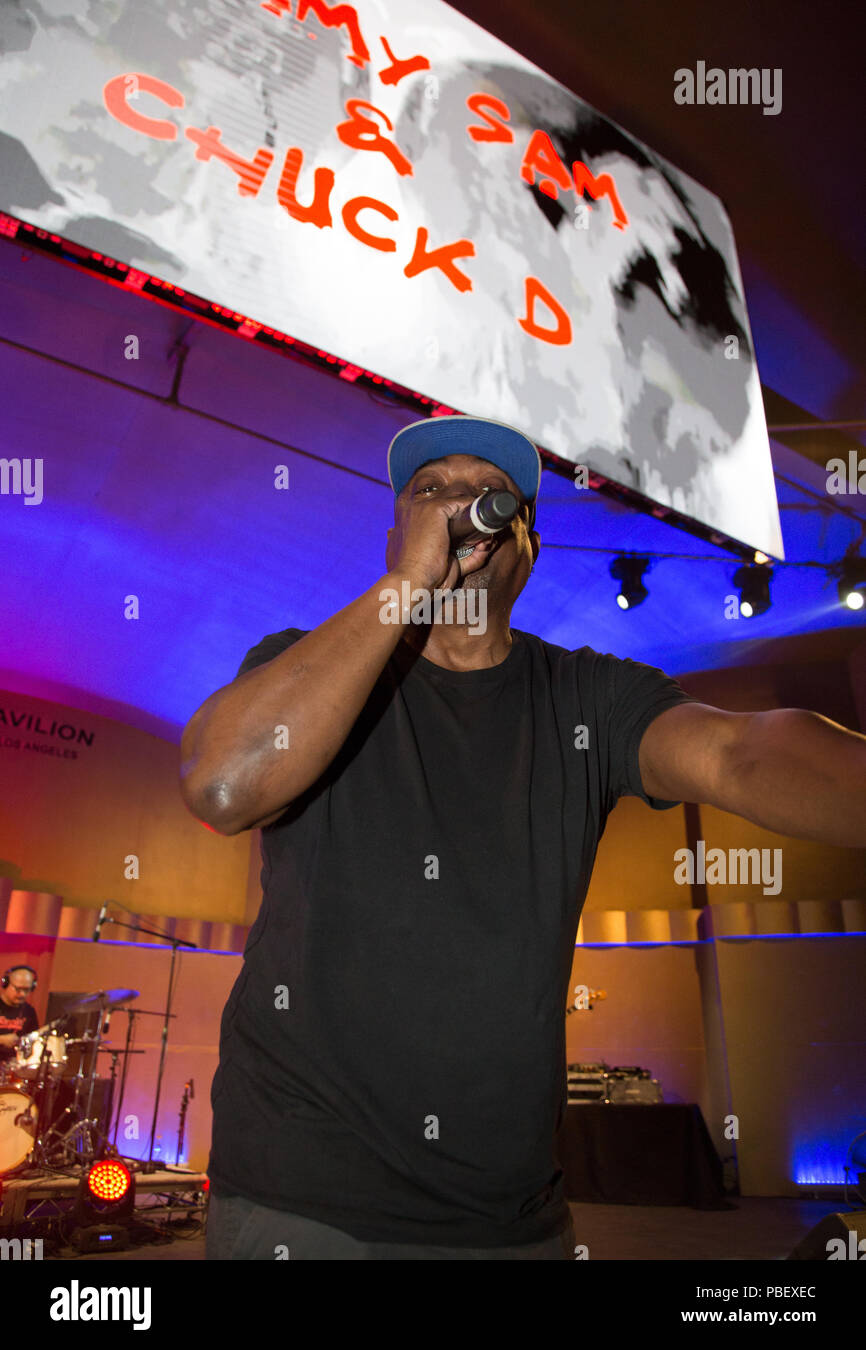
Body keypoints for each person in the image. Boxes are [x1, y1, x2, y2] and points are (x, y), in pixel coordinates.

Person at [180, 415, 866, 1261]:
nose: (458, 510)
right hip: (306, 1204)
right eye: (429, 493)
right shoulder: (306, 666)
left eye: (484, 496)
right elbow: (222, 785)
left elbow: (740, 752)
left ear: (527, 542)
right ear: (398, 534)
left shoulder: (586, 698)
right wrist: (404, 591)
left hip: (513, 1221)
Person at [0, 965, 40, 1060]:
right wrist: (2, 1039)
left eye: (27, 990)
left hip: (13, 1066)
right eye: (18, 989)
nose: (22, 994)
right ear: (5, 984)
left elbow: (33, 1042)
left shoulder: (29, 1011)